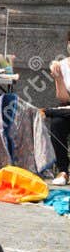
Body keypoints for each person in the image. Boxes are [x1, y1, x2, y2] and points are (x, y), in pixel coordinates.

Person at [48, 29, 70, 185]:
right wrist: (59, 78)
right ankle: (63, 171)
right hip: (67, 107)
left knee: (55, 114)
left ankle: (46, 112)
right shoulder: (61, 65)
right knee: (57, 123)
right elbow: (63, 98)